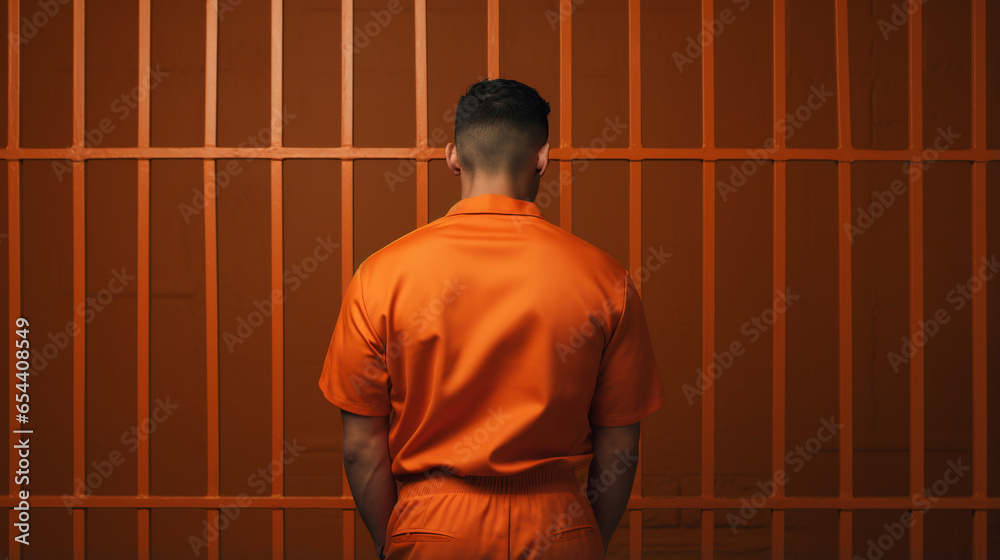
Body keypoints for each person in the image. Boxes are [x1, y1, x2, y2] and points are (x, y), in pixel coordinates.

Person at [319, 78, 665, 559]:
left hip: (432, 530)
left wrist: (395, 540)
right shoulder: (606, 279)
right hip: (559, 528)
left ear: (453, 157)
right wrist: (584, 537)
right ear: (542, 158)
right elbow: (620, 445)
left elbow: (360, 447)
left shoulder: (380, 275)